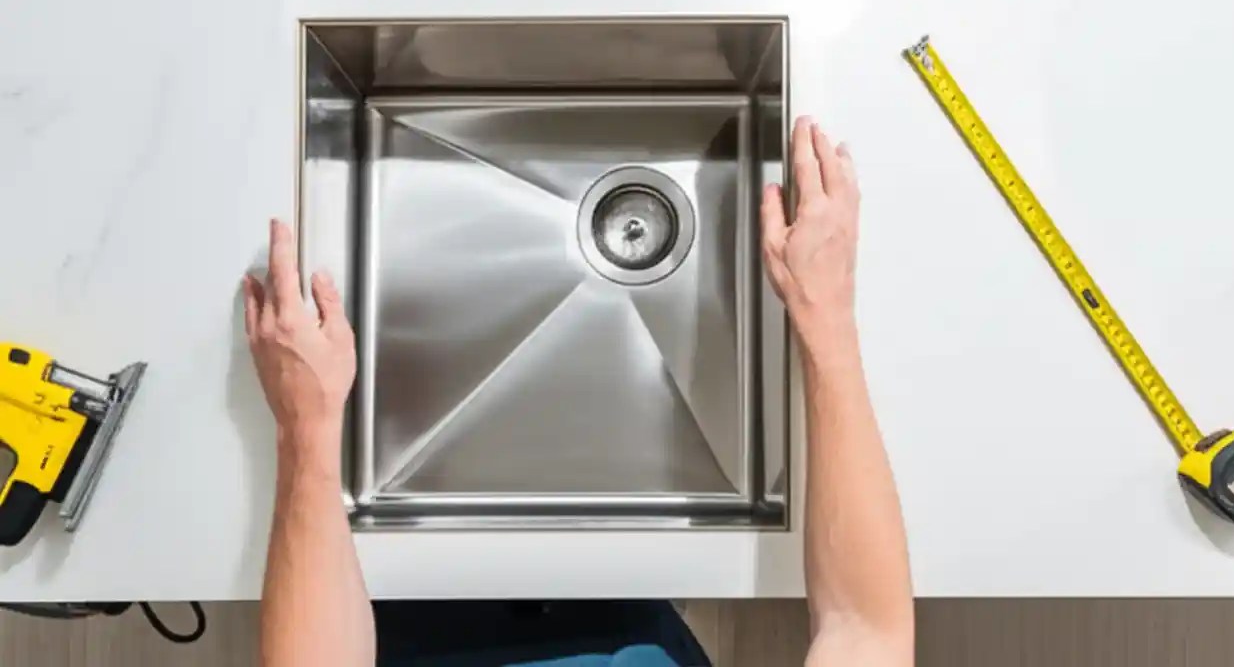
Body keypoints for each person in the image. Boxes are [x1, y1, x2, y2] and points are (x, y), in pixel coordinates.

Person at [242, 116, 914, 666]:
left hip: (391, 622)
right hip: (623, 625)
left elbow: (868, 636)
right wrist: (824, 316)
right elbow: (862, 633)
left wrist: (307, 433)